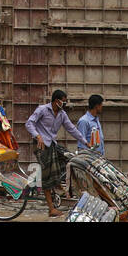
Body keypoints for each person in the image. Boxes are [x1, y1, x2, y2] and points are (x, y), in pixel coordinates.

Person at [25, 89, 85, 217]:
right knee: (48, 176)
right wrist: (37, 136)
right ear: (56, 101)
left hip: (52, 144)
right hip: (41, 145)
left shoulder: (62, 114)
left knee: (69, 159)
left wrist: (85, 141)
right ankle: (51, 208)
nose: (64, 104)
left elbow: (71, 128)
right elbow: (29, 123)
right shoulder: (42, 110)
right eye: (63, 101)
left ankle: (58, 187)